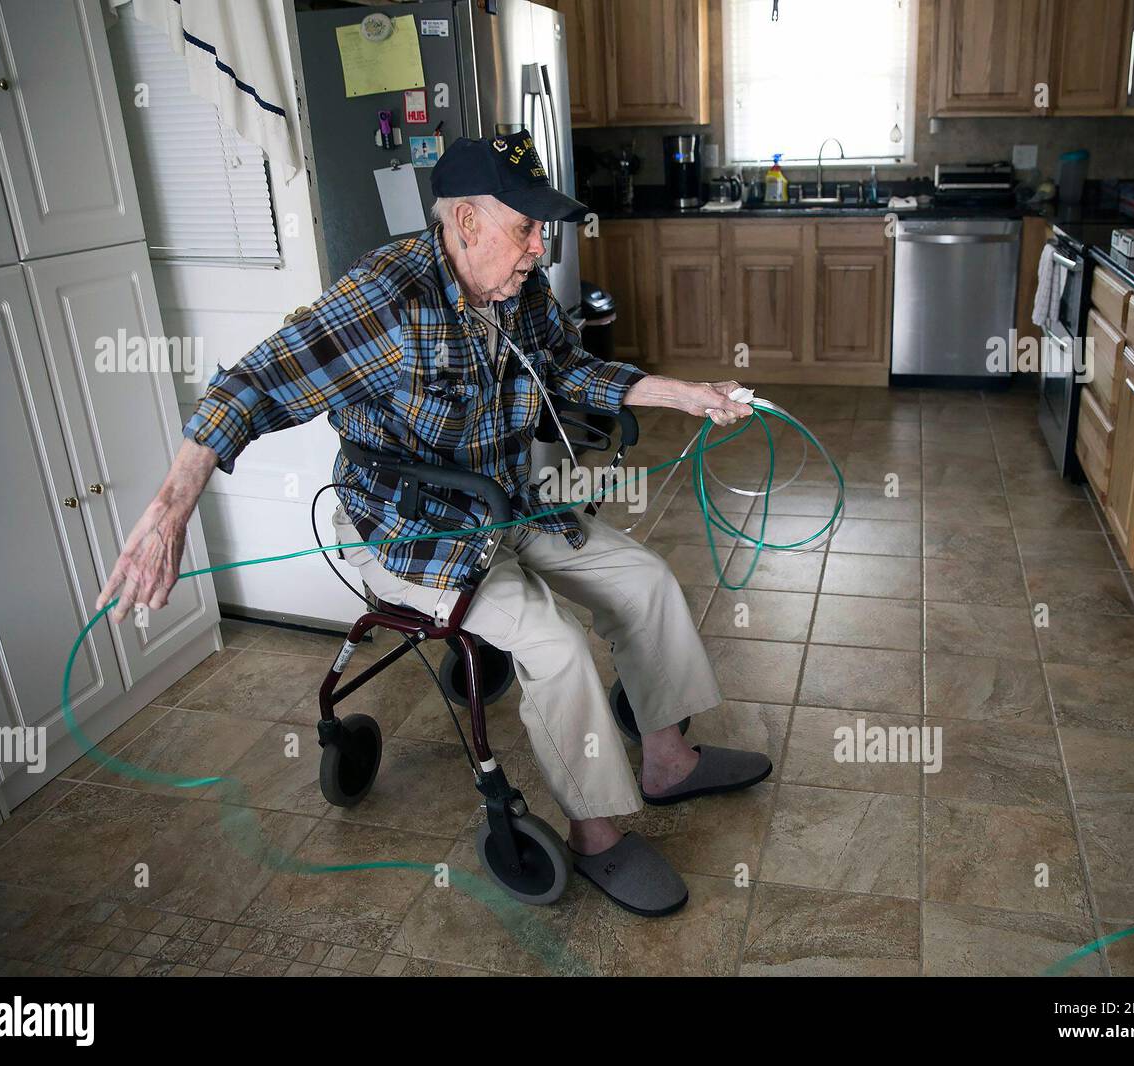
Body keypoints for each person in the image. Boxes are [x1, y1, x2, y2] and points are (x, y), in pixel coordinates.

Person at [97, 129, 771, 917]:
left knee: (647, 580)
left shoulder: (516, 290)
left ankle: (667, 761)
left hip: (508, 503)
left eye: (541, 228)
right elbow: (252, 385)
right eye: (526, 228)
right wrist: (170, 508)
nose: (540, 246)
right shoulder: (388, 299)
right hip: (417, 537)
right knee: (554, 643)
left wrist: (681, 393)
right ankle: (595, 835)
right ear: (467, 223)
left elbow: (565, 369)